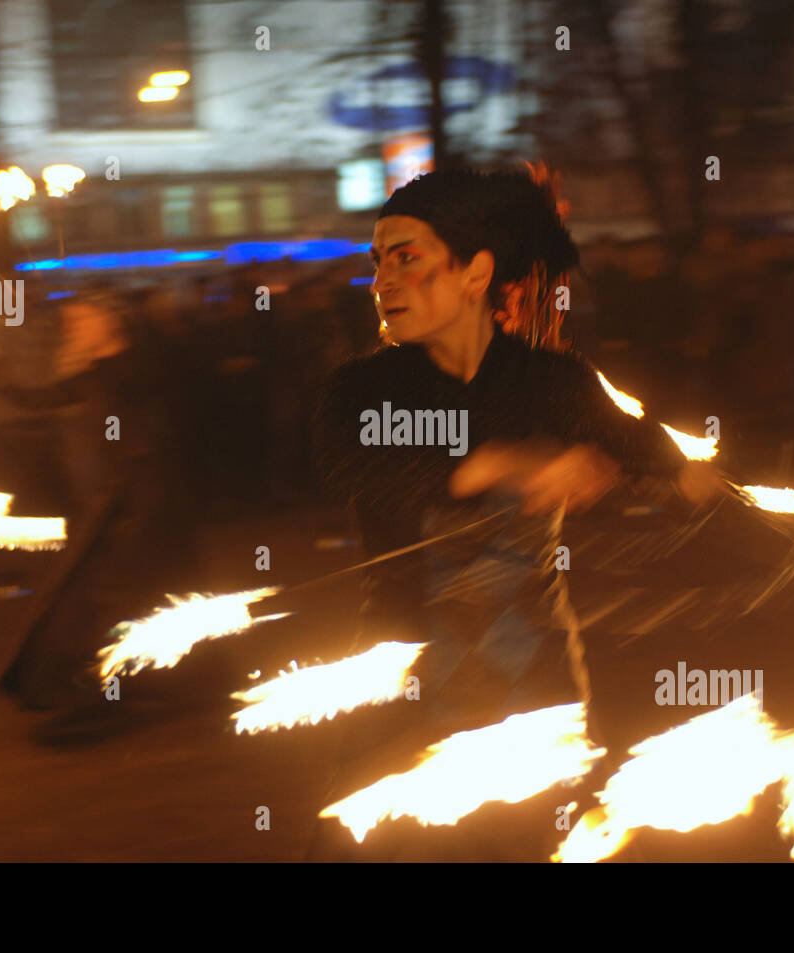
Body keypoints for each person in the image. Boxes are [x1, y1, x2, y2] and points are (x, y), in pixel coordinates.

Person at [308, 164, 725, 859]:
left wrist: (683, 474)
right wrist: (510, 463)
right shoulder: (362, 389)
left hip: (533, 680)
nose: (382, 281)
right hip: (405, 678)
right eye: (377, 262)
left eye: (406, 259)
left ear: (475, 273)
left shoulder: (553, 379)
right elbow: (376, 474)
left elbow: (643, 450)